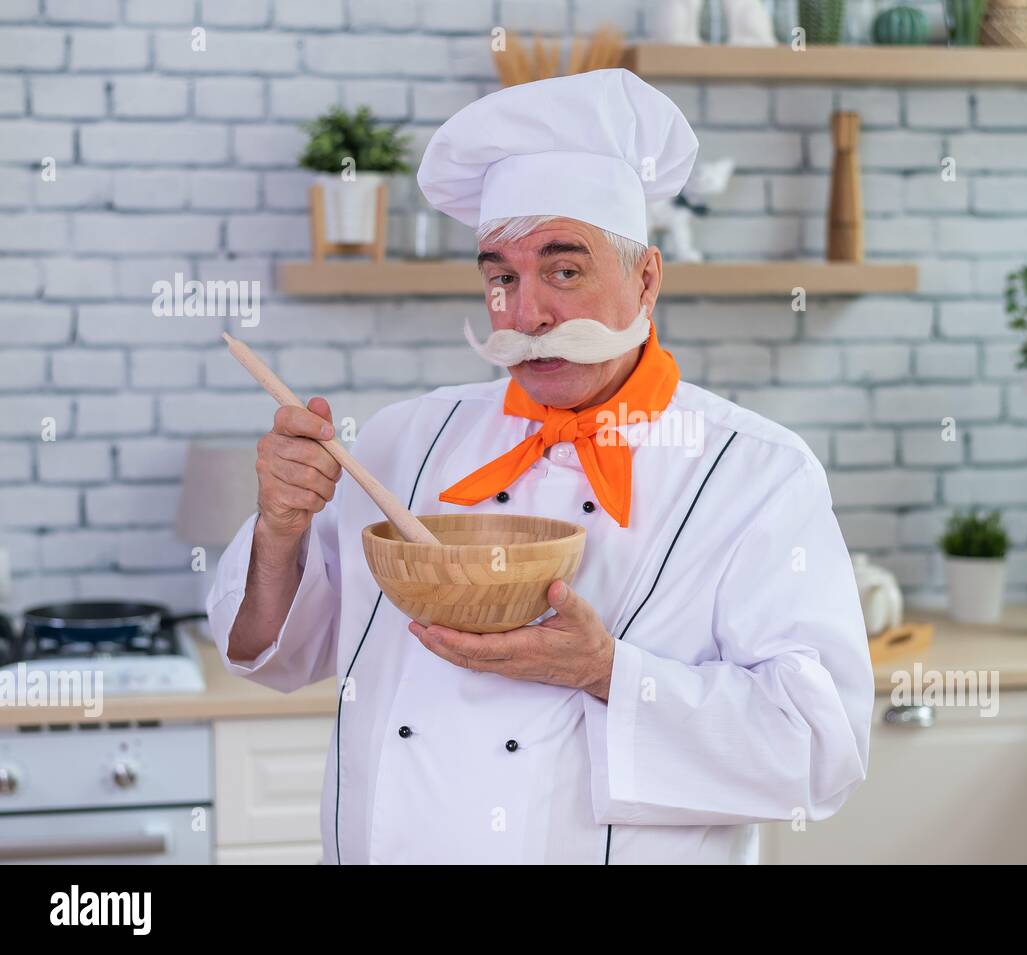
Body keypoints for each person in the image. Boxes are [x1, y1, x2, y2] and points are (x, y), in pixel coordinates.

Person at [207, 69, 873, 864]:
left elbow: (818, 750)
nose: (527, 315)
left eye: (565, 270)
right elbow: (272, 651)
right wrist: (281, 527)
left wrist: (607, 673)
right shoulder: (400, 440)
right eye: (502, 278)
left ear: (647, 279)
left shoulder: (756, 474)